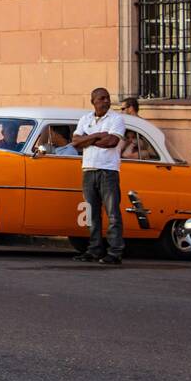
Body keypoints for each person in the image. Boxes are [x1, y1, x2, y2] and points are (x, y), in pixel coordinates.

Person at [71, 87, 127, 265]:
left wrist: (88, 139)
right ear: (93, 101)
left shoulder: (116, 119)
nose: (106, 101)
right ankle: (94, 249)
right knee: (91, 212)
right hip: (88, 169)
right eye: (102, 98)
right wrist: (97, 135)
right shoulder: (85, 119)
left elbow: (111, 142)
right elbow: (76, 143)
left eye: (107, 98)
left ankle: (115, 251)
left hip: (108, 170)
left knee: (112, 213)